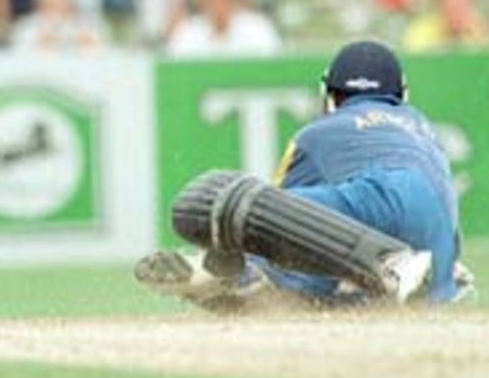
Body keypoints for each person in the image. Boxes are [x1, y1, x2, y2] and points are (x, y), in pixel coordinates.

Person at [137, 40, 466, 310]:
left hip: (373, 204)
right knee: (320, 283)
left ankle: (217, 274)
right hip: (439, 243)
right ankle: (408, 277)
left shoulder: (317, 133)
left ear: (330, 95)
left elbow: (275, 220)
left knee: (221, 200)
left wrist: (231, 258)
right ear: (402, 95)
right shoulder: (425, 129)